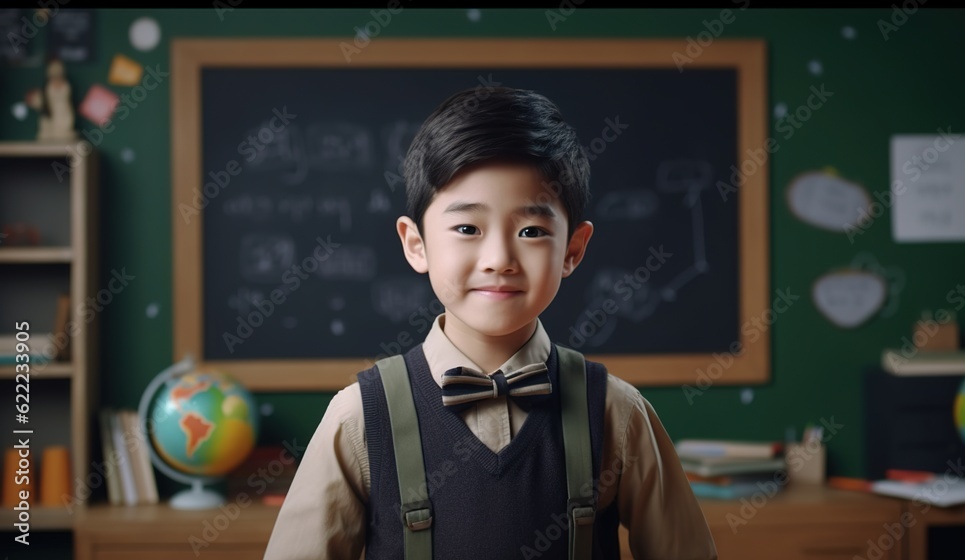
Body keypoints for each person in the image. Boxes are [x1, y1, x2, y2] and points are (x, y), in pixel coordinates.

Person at [263, 86, 717, 559]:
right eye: (467, 229)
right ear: (416, 243)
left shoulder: (615, 412)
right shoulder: (360, 417)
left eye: (532, 231)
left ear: (573, 250)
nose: (499, 259)